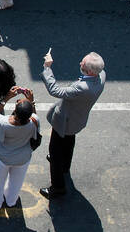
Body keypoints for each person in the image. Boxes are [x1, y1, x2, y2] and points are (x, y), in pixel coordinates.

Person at [39, 50, 105, 199]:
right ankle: (65, 166)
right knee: (69, 142)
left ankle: (57, 187)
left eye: (82, 62)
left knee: (55, 152)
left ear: (88, 70)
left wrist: (47, 67)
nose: (80, 63)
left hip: (65, 121)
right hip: (77, 120)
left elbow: (55, 90)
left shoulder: (81, 88)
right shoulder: (101, 76)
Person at [0, 96, 40, 210]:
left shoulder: (3, 122)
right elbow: (35, 117)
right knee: (16, 182)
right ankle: (11, 200)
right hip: (23, 158)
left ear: (15, 111)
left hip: (2, 158)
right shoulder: (34, 121)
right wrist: (31, 101)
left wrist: (6, 98)